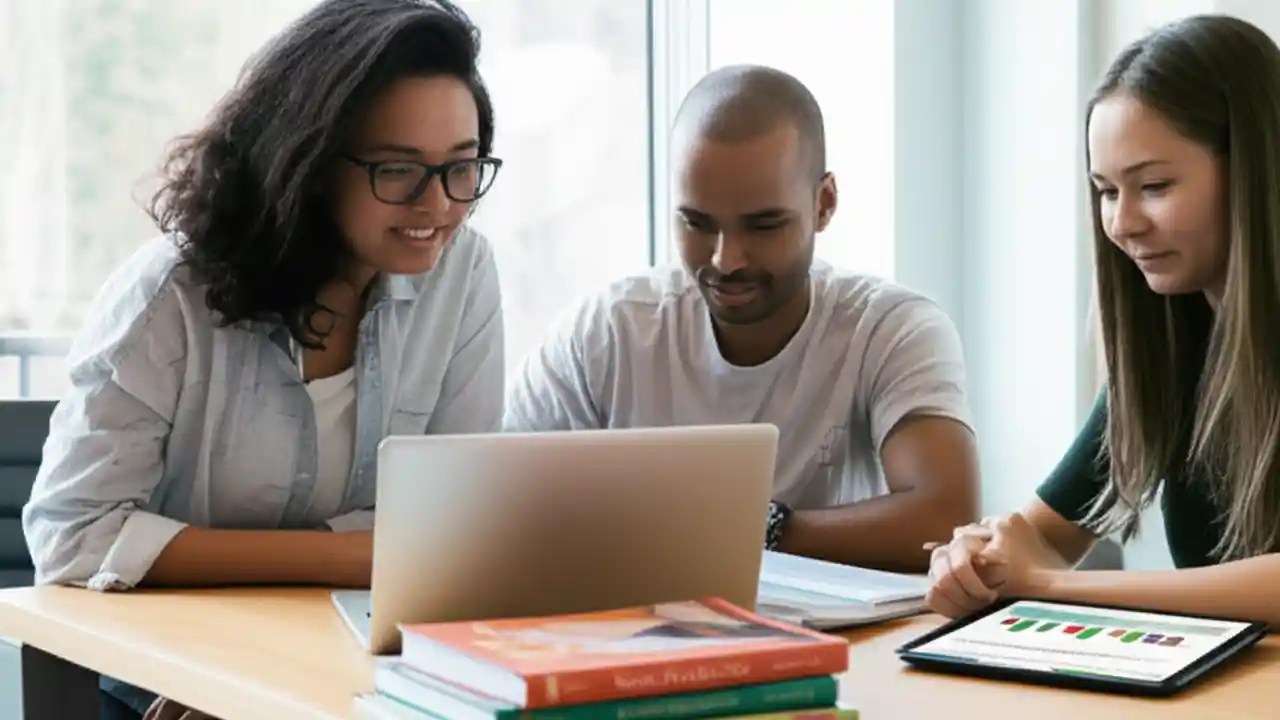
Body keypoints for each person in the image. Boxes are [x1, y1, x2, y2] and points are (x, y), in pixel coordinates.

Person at [22, 1, 503, 716]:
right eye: (398, 170)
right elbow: (71, 537)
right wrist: (354, 556)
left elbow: (453, 525)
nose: (437, 205)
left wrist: (367, 560)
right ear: (308, 163)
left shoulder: (460, 272)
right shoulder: (169, 299)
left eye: (461, 169)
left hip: (357, 666)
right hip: (166, 672)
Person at [505, 65, 979, 572]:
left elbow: (944, 519)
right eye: (696, 223)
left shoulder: (889, 330)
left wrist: (758, 526)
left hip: (841, 645)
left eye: (764, 225)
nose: (726, 260)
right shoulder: (606, 333)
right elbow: (497, 506)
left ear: (824, 203)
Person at [926, 14, 1280, 628]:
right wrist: (978, 558)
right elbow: (1041, 539)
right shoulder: (1172, 343)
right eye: (1107, 191)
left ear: (1253, 165)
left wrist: (1055, 587)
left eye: (1154, 185)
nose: (1121, 224)